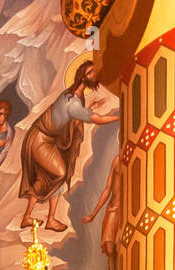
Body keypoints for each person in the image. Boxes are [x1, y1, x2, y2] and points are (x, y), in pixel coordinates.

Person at [18, 60, 118, 232]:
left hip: (48, 140)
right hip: (40, 139)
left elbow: (71, 117)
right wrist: (120, 118)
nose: (94, 75)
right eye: (90, 73)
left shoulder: (75, 96)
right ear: (82, 77)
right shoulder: (72, 100)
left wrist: (90, 107)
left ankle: (47, 219)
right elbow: (96, 119)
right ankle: (31, 218)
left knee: (57, 178)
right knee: (60, 172)